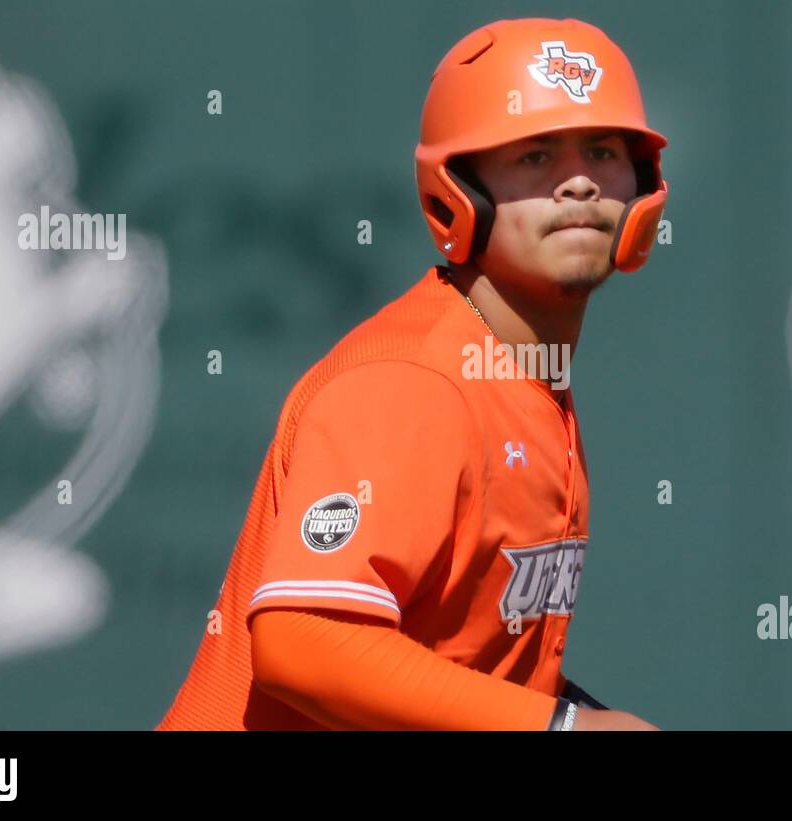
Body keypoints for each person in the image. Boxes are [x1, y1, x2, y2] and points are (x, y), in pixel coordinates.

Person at [157, 16, 669, 731]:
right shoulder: (412, 382)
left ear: (642, 184)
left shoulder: (528, 378)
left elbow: (450, 669)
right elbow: (302, 638)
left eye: (603, 149)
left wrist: (571, 714)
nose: (578, 182)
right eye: (534, 155)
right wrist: (562, 728)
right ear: (457, 190)